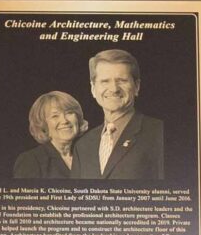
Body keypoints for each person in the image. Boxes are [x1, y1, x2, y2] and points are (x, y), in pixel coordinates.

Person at [72, 47, 165, 179]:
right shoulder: (82, 146)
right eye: (105, 81)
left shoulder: (159, 133)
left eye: (122, 80)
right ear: (93, 89)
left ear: (137, 86)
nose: (114, 89)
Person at [11, 90, 86, 179]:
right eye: (55, 116)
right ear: (43, 125)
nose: (65, 121)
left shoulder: (87, 156)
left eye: (69, 113)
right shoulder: (31, 160)